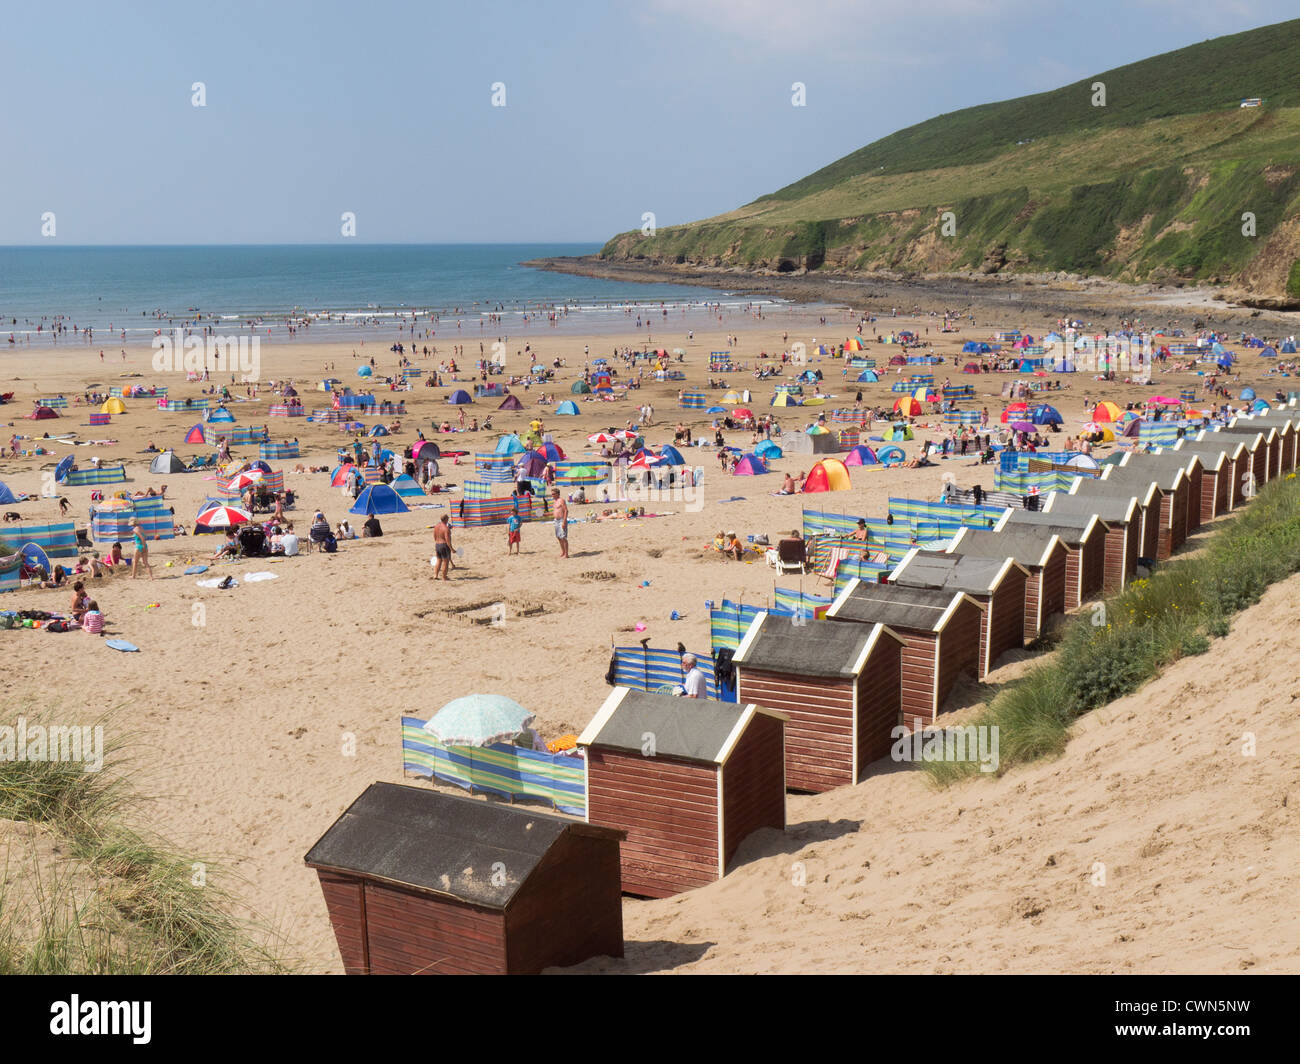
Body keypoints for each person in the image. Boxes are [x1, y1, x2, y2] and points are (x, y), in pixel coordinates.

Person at [433, 514, 453, 580]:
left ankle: (435, 575)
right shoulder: (446, 528)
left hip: (437, 544)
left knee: (438, 560)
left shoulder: (436, 526)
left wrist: (437, 542)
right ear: (446, 519)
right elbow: (448, 540)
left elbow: (434, 536)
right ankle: (444, 577)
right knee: (445, 562)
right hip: (444, 545)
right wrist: (451, 548)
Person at [552, 489, 569, 558]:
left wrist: (564, 521)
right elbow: (555, 511)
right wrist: (546, 514)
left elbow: (566, 510)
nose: (552, 495)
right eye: (552, 494)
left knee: (563, 537)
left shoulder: (561, 500)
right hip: (556, 520)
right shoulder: (554, 501)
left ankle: (566, 554)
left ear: (557, 494)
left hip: (561, 520)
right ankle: (563, 552)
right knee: (558, 537)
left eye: (553, 494)